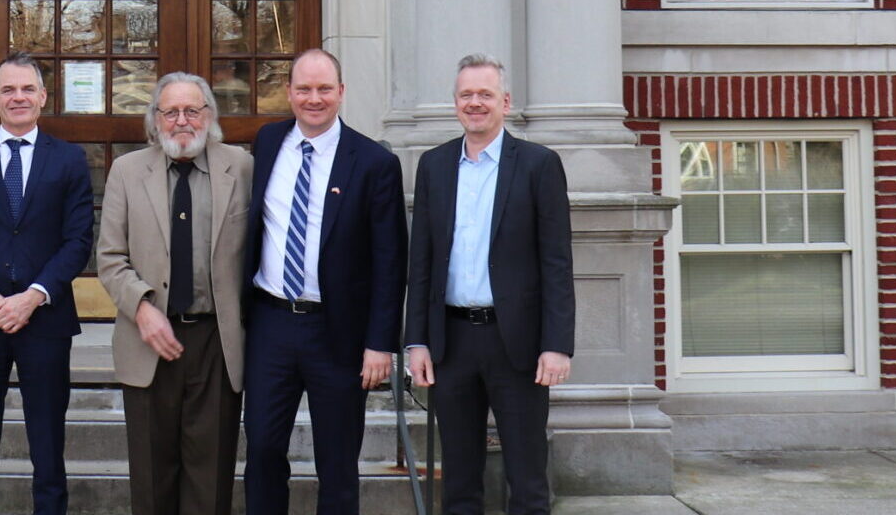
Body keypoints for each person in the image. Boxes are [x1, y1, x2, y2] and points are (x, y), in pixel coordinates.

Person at [403, 55, 575, 515]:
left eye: (485, 94)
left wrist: (557, 345)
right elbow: (421, 262)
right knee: (459, 481)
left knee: (527, 478)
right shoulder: (434, 166)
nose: (475, 103)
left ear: (505, 102)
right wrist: (416, 341)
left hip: (516, 343)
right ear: (455, 102)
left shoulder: (539, 165)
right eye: (466, 95)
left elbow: (557, 263)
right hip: (451, 342)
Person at [243, 47, 407, 515]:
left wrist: (380, 345)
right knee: (262, 450)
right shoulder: (268, 142)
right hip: (271, 323)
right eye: (303, 89)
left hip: (338, 332)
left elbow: (390, 260)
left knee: (337, 462)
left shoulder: (374, 162)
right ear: (289, 92)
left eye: (324, 89)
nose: (313, 99)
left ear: (341, 92)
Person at [0, 53, 95, 515]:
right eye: (8, 90)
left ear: (43, 97)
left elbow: (78, 240)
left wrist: (33, 297)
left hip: (45, 320)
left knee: (47, 445)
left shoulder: (69, 159)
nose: (18, 97)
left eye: (28, 89)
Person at [95, 72, 254, 515]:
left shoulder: (242, 167)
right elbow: (110, 257)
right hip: (147, 341)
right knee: (152, 481)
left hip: (217, 343)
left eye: (192, 111)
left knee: (211, 480)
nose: (182, 121)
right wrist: (143, 309)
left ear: (210, 116)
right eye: (171, 112)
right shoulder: (127, 171)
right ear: (155, 119)